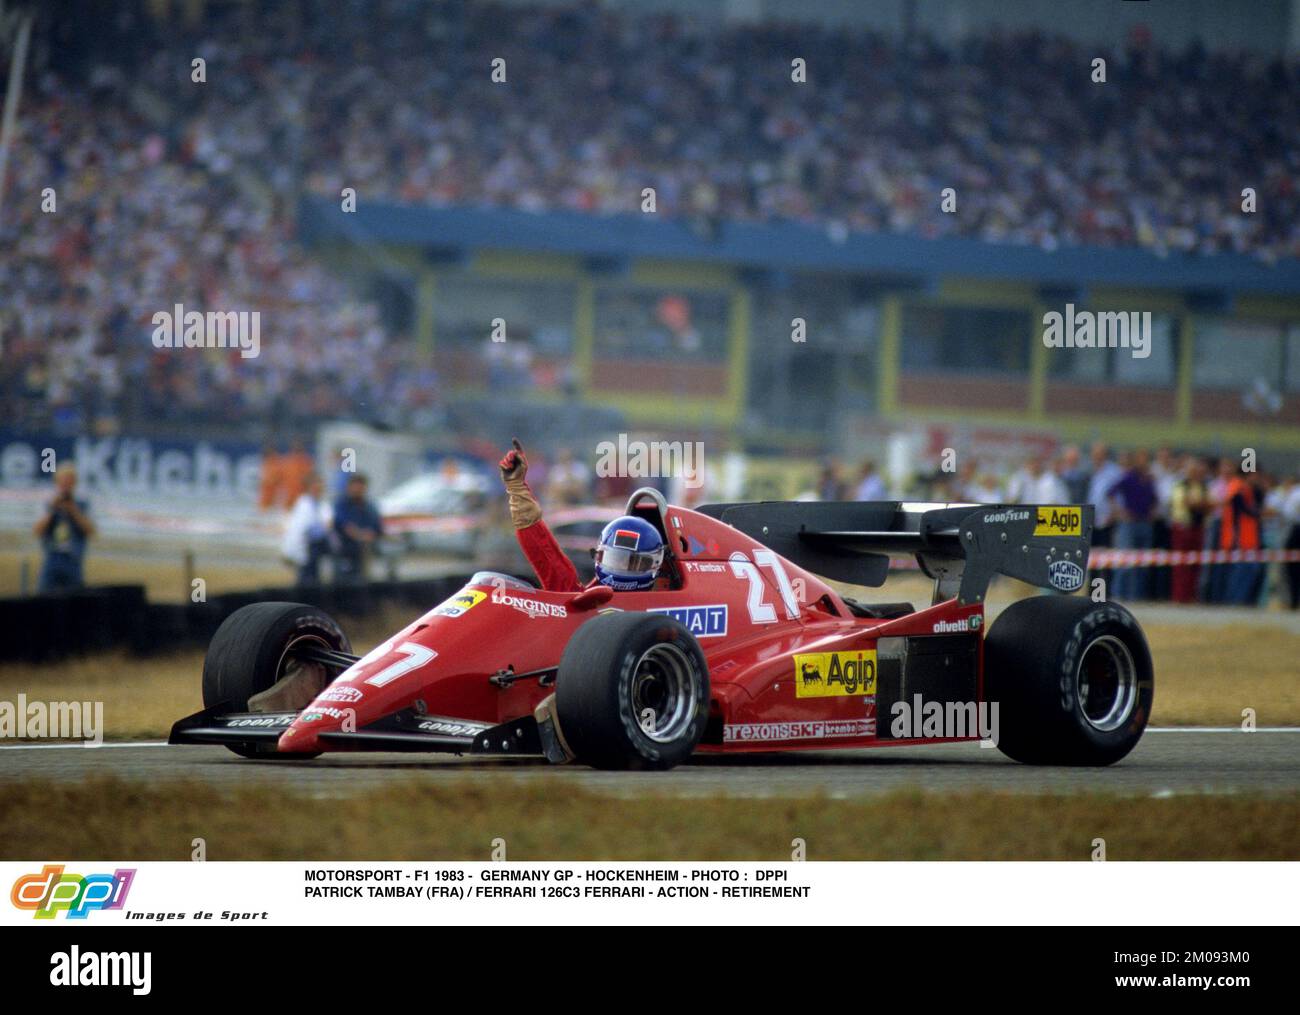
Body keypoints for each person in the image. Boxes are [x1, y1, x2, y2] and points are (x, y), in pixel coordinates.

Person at [499, 439, 665, 592]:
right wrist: (517, 490)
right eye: (614, 559)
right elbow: (545, 555)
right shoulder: (586, 601)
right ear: (599, 556)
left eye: (632, 563)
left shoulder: (666, 608)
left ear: (654, 565)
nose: (619, 568)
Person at [33, 465, 96, 593]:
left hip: (73, 558)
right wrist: (52, 510)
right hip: (52, 556)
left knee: (75, 599)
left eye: (69, 482)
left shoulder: (83, 504)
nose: (66, 486)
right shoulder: (49, 503)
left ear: (74, 484)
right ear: (57, 483)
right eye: (63, 482)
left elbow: (91, 531)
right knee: (44, 596)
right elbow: (37, 531)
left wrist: (73, 510)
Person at [1168, 456, 1210, 604]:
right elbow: (1186, 503)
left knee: (1195, 564)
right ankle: (1180, 596)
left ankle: (1191, 595)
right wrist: (1200, 504)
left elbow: (1208, 505)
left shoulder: (1202, 486)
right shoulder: (1181, 485)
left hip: (1197, 528)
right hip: (1183, 528)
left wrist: (1199, 504)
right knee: (1181, 564)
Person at [281, 472, 332, 586]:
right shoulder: (303, 505)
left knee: (314, 580)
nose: (319, 488)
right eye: (316, 485)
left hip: (316, 550)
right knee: (305, 581)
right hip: (305, 549)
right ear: (309, 487)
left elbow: (327, 525)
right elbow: (298, 530)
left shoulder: (322, 504)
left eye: (321, 485)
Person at [332, 474, 384, 584]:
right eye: (356, 487)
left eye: (361, 487)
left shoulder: (369, 506)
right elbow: (344, 526)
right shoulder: (342, 504)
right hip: (345, 551)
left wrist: (371, 534)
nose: (358, 490)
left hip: (365, 552)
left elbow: (377, 527)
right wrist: (361, 535)